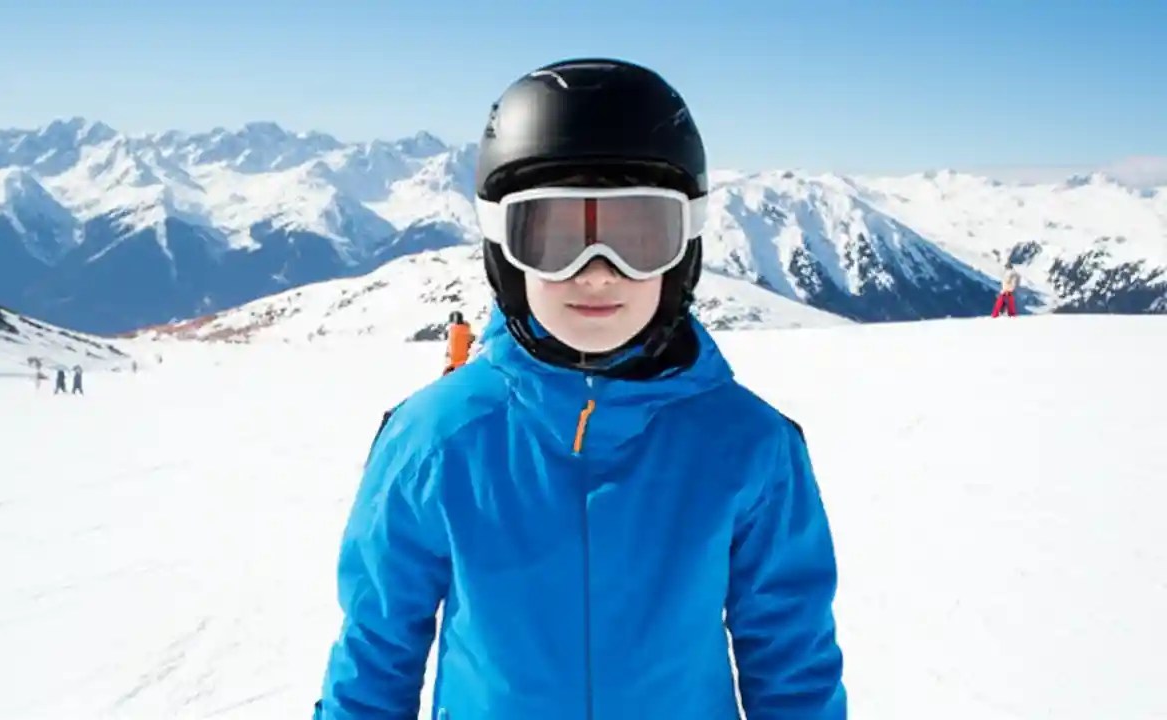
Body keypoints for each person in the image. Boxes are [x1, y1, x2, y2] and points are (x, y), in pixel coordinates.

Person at [313, 58, 846, 720]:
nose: (596, 274)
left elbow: (791, 661)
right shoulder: (436, 441)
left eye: (638, 237)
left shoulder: (750, 446)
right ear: (505, 251)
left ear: (683, 252)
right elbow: (376, 653)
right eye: (555, 238)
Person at [442, 310, 475, 375]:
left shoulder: (454, 332)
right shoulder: (465, 331)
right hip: (463, 365)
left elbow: (450, 351)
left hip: (458, 366)